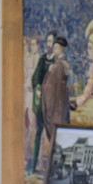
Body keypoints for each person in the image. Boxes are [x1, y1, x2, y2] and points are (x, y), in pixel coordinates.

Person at [28, 32, 57, 171]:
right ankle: (33, 167)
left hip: (52, 104)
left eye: (51, 41)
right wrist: (37, 88)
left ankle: (52, 169)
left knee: (52, 135)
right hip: (41, 103)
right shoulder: (43, 58)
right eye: (48, 41)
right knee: (38, 133)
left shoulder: (58, 60)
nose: (48, 44)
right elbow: (35, 77)